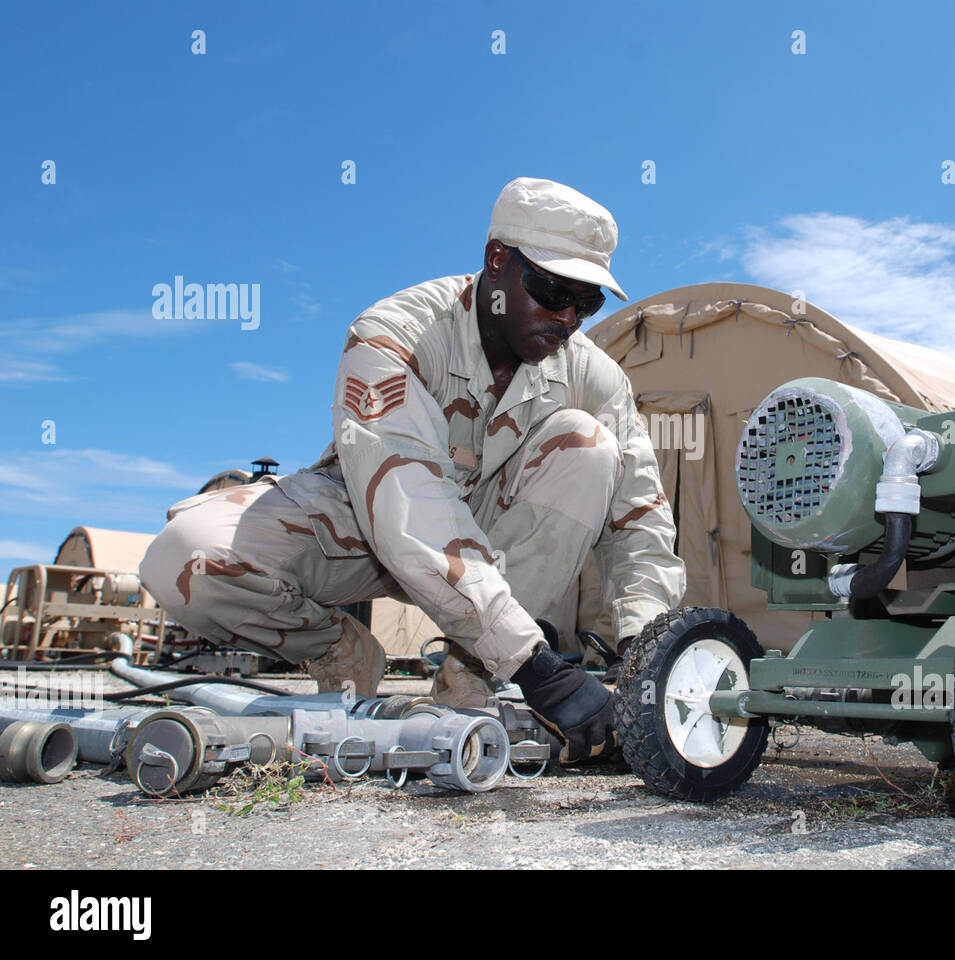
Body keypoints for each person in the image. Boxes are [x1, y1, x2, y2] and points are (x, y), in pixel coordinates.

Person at [140, 177, 685, 762]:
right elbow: (410, 505)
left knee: (590, 444)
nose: (568, 317)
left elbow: (641, 524)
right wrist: (542, 670)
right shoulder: (395, 333)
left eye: (588, 302)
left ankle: (467, 687)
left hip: (494, 534)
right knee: (182, 559)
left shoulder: (596, 377)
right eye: (552, 291)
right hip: (366, 513)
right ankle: (339, 649)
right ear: (496, 261)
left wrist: (644, 654)